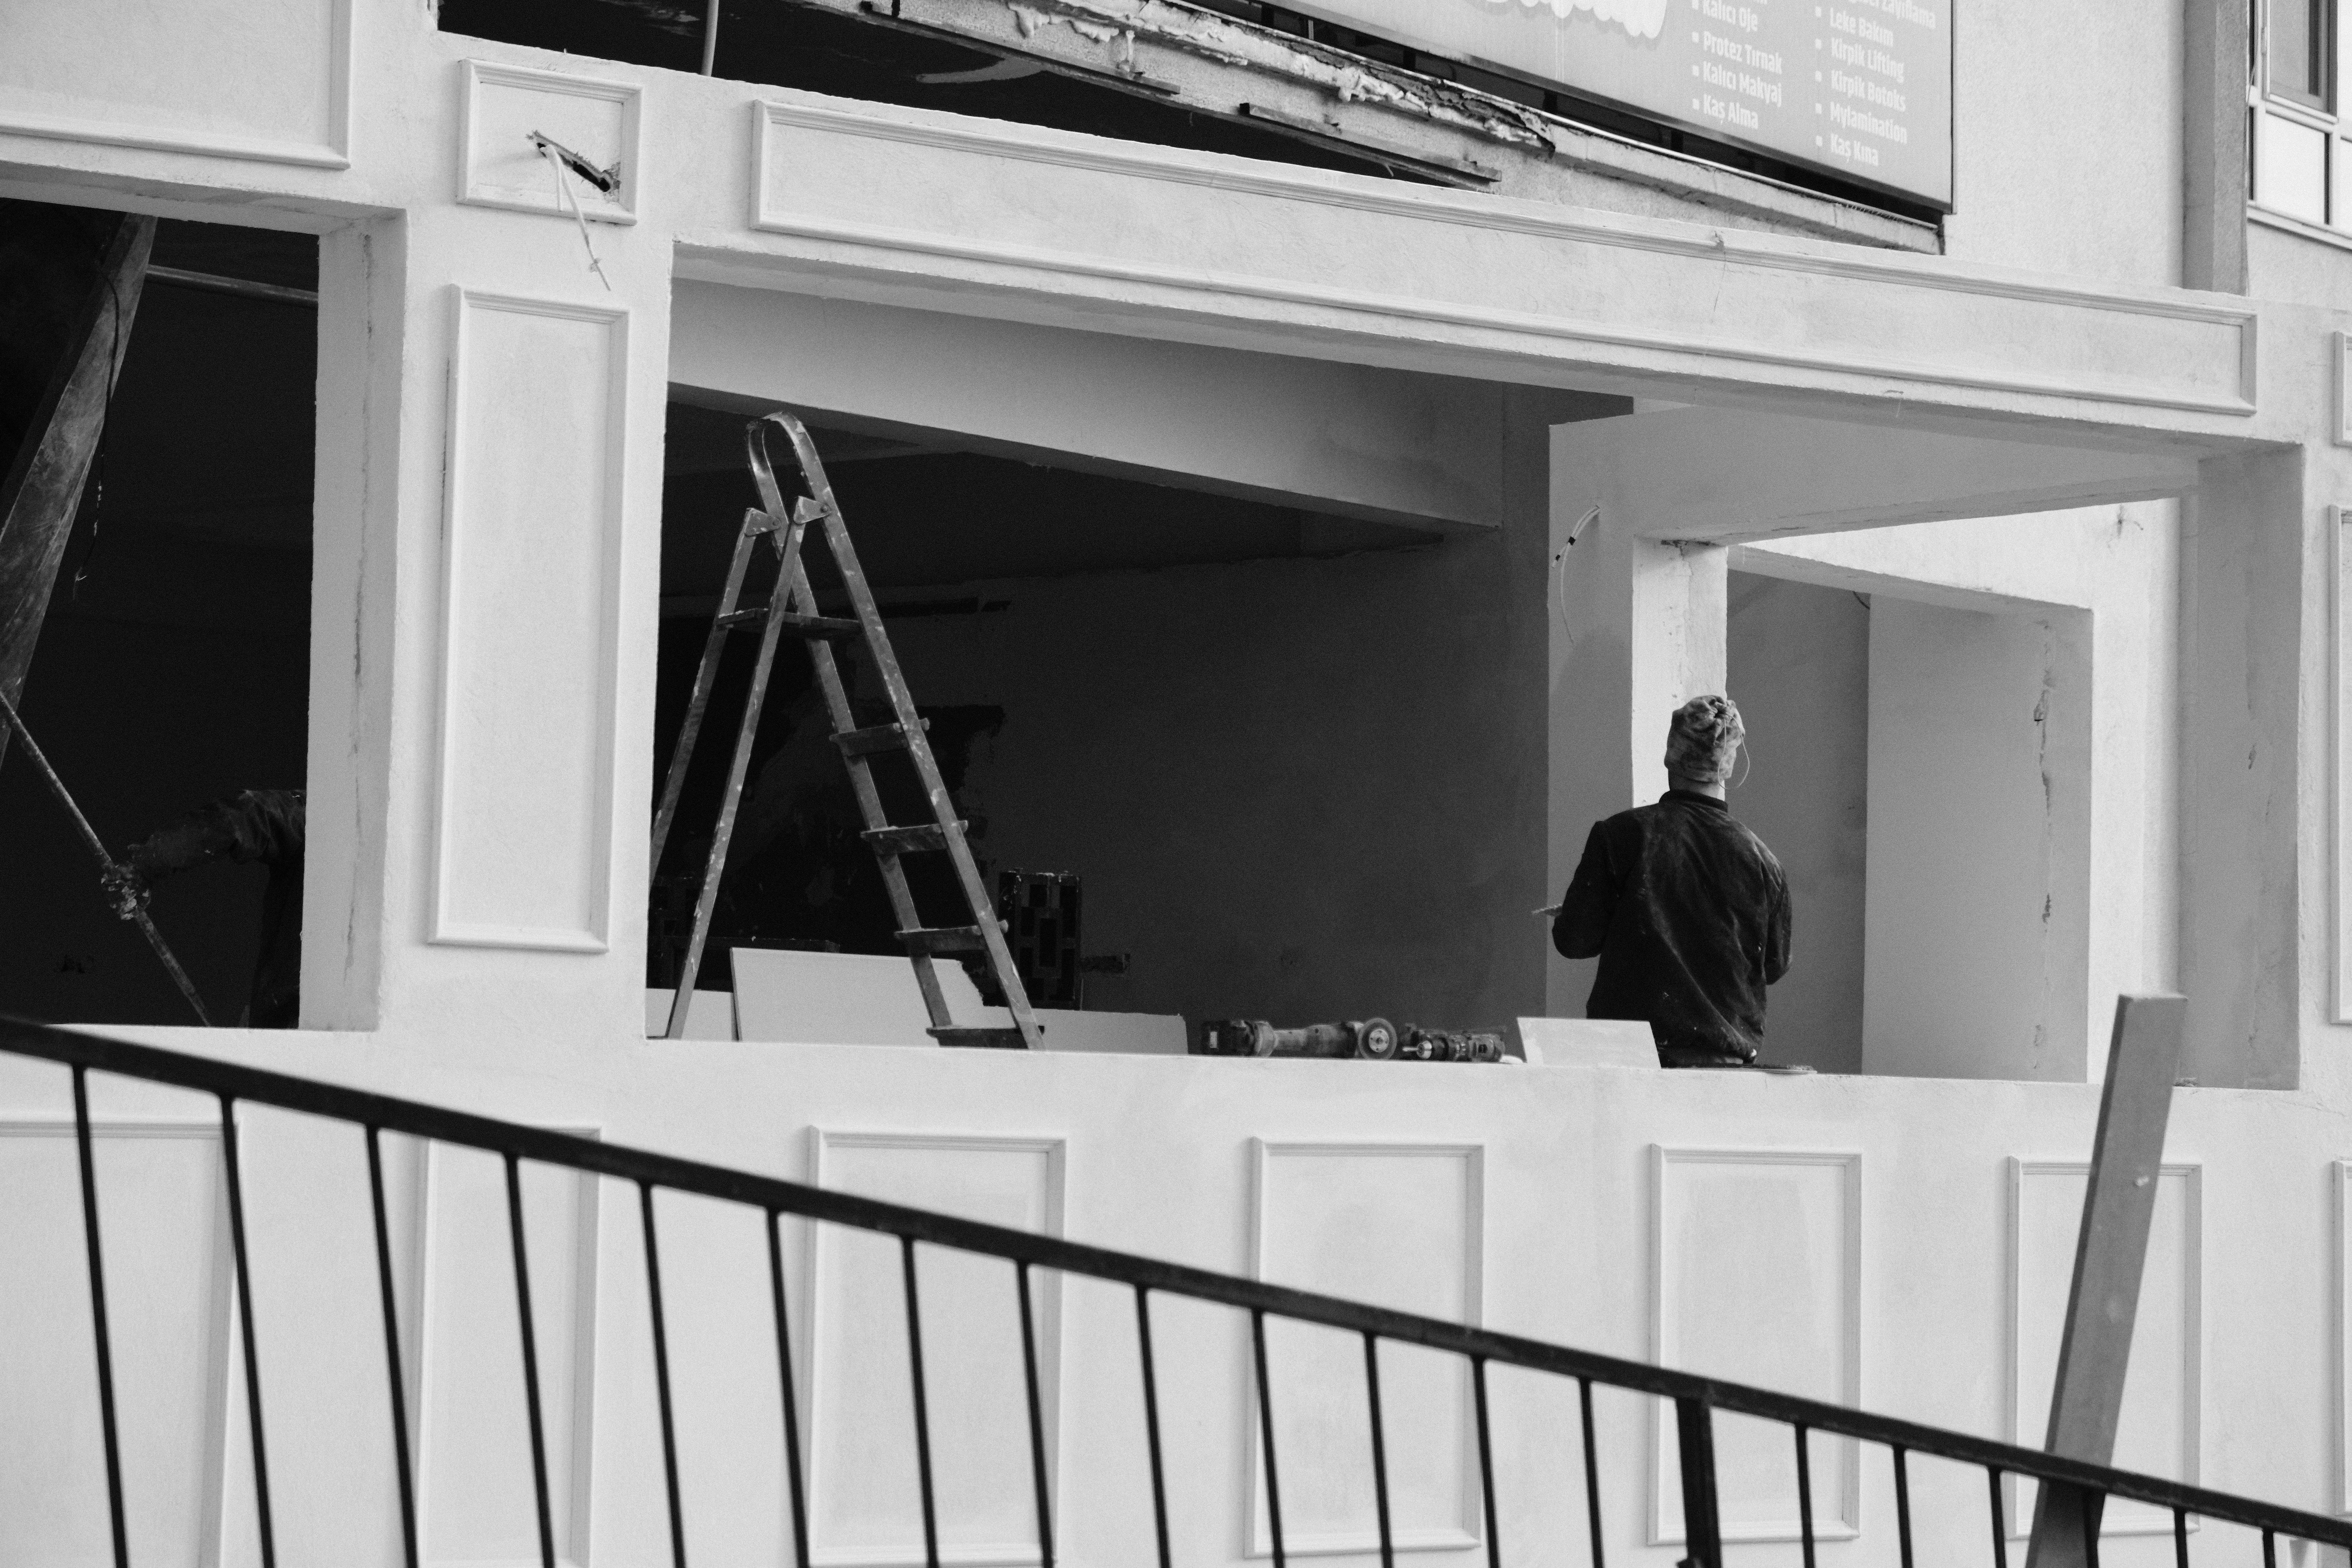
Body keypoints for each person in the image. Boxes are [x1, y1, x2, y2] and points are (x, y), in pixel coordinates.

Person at [1551, 697, 1790, 1066]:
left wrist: (1591, 910)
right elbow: (1774, 966)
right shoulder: (1763, 861)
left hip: (1628, 1060)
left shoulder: (1620, 835)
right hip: (1724, 1067)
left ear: (1671, 754)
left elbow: (1574, 941)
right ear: (1728, 766)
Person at [103, 789, 305, 1027]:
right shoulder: (328, 824)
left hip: (289, 1022)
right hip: (289, 1022)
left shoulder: (324, 823)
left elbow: (243, 819)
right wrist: (145, 866)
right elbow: (242, 819)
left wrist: (144, 867)